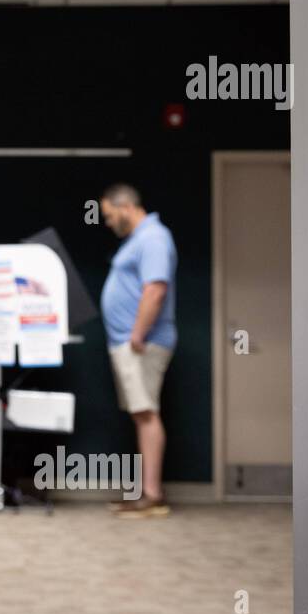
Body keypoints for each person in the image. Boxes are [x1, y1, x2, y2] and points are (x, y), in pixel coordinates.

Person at [99, 183, 176, 519]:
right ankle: (148, 492)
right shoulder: (140, 240)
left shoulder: (153, 238)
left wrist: (137, 335)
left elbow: (156, 290)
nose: (107, 222)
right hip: (132, 342)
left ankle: (152, 495)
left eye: (109, 215)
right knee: (141, 413)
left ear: (126, 207)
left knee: (146, 413)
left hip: (142, 343)